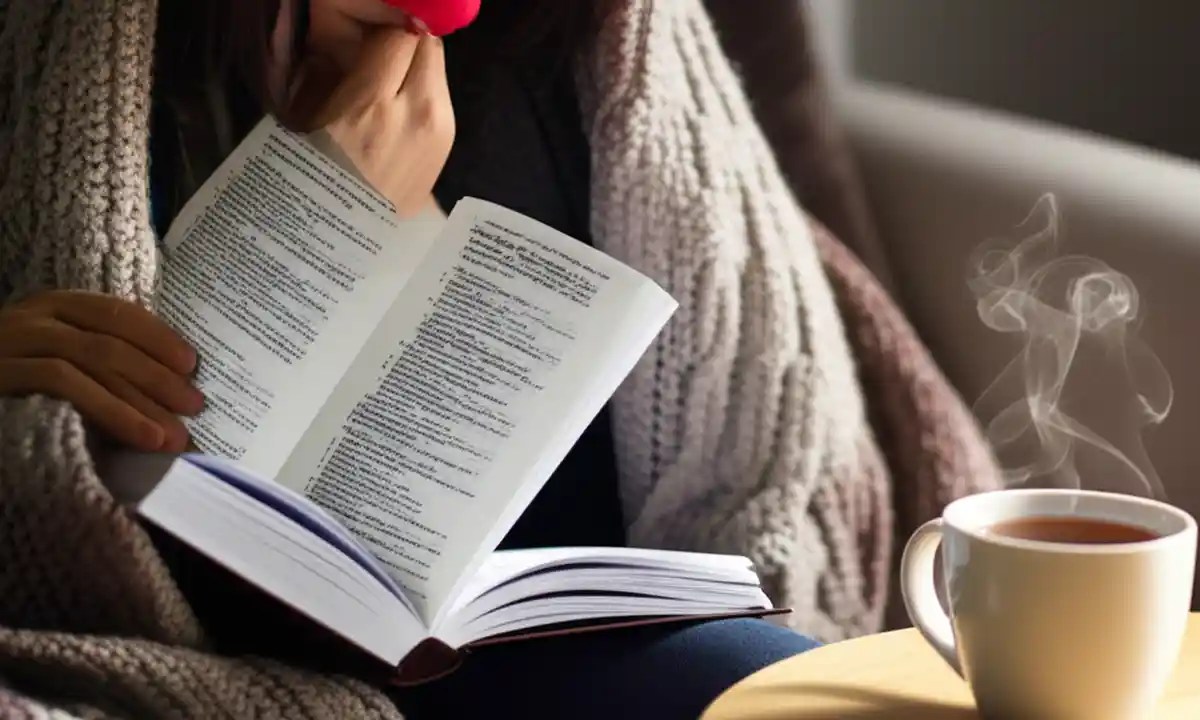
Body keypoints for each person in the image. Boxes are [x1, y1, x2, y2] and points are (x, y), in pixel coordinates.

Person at [0, 0, 999, 717]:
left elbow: (773, 436)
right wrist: (316, 210)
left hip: (553, 631)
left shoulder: (601, 42)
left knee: (771, 686)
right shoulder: (76, 56)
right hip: (186, 633)